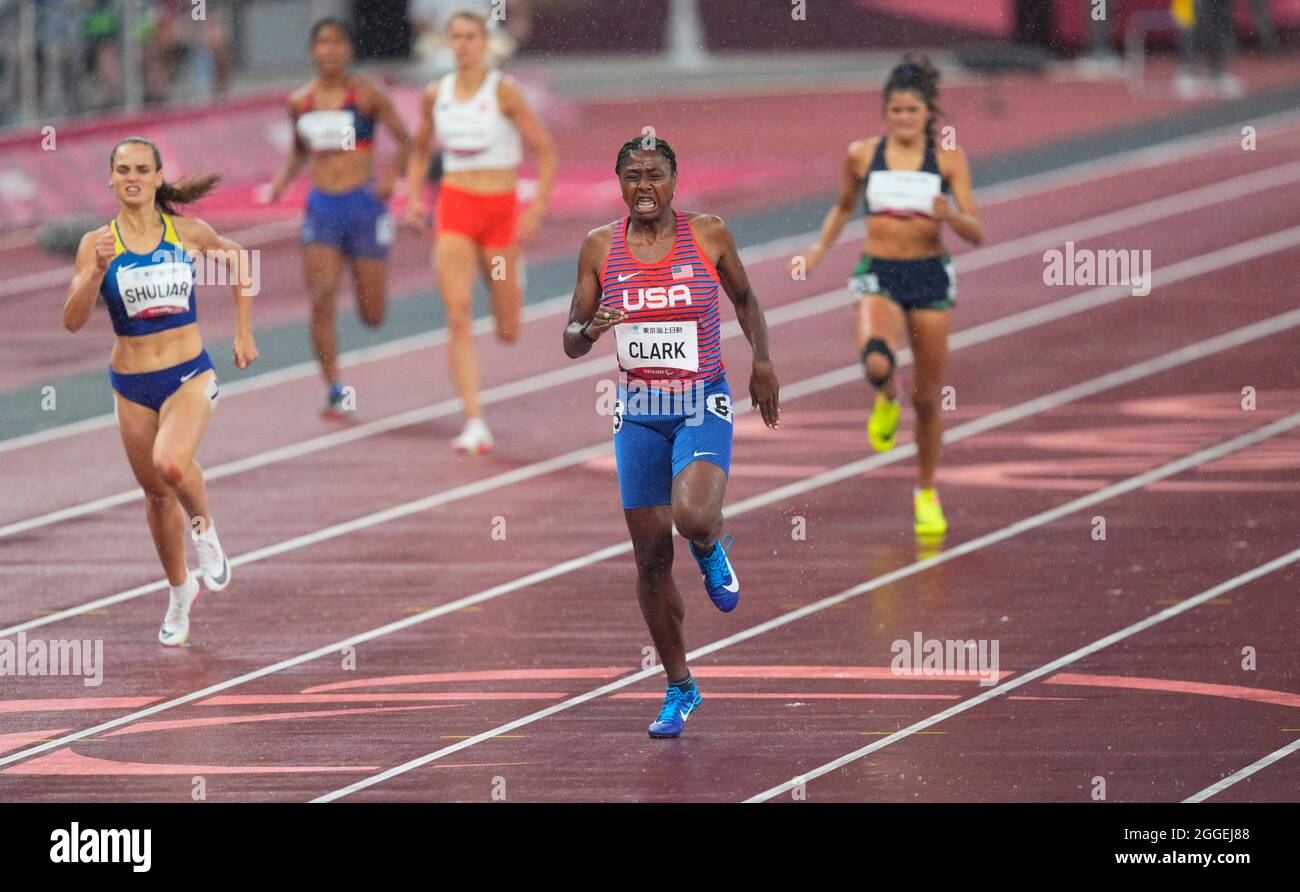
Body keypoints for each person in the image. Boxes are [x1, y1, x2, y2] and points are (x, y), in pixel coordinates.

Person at [564, 136, 780, 738]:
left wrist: (762, 362)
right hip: (637, 412)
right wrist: (590, 326)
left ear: (674, 180)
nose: (643, 187)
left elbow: (746, 297)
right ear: (619, 183)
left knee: (692, 515)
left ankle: (711, 546)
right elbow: (571, 338)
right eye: (632, 176)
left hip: (699, 402)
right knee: (651, 560)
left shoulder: (708, 235)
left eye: (654, 175)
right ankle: (679, 687)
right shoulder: (600, 247)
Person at [62, 137, 258, 647]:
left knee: (171, 464)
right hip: (130, 385)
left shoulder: (188, 233)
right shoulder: (96, 243)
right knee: (154, 495)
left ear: (156, 178)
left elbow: (239, 260)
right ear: (110, 178)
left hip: (189, 375)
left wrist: (243, 331)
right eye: (122, 168)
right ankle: (178, 590)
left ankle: (206, 531)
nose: (132, 176)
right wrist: (95, 271)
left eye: (141, 169)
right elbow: (72, 320)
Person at [797, 54, 983, 538]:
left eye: (912, 112)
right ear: (885, 111)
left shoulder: (947, 160)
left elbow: (976, 230)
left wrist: (951, 215)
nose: (903, 119)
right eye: (896, 110)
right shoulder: (862, 154)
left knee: (927, 399)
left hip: (929, 275)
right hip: (878, 269)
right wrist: (817, 252)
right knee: (878, 360)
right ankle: (884, 394)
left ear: (928, 116)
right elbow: (841, 209)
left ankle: (925, 491)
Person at [405, 9, 556, 453]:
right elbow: (419, 148)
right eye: (456, 36)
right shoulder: (436, 94)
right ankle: (474, 420)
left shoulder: (504, 92)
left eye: (472, 36)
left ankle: (508, 281)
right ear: (447, 42)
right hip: (454, 207)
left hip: (500, 212)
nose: (464, 44)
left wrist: (536, 209)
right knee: (457, 314)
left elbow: (546, 152)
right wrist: (414, 197)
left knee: (508, 327)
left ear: (485, 42)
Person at [269, 18, 410, 418]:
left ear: (348, 50)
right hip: (323, 208)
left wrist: (391, 177)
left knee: (372, 315)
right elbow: (300, 150)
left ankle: (364, 276)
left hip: (363, 206)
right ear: (313, 51)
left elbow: (406, 141)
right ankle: (334, 387)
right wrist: (282, 181)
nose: (329, 50)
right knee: (321, 299)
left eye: (337, 43)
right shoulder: (301, 101)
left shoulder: (367, 96)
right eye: (322, 43)